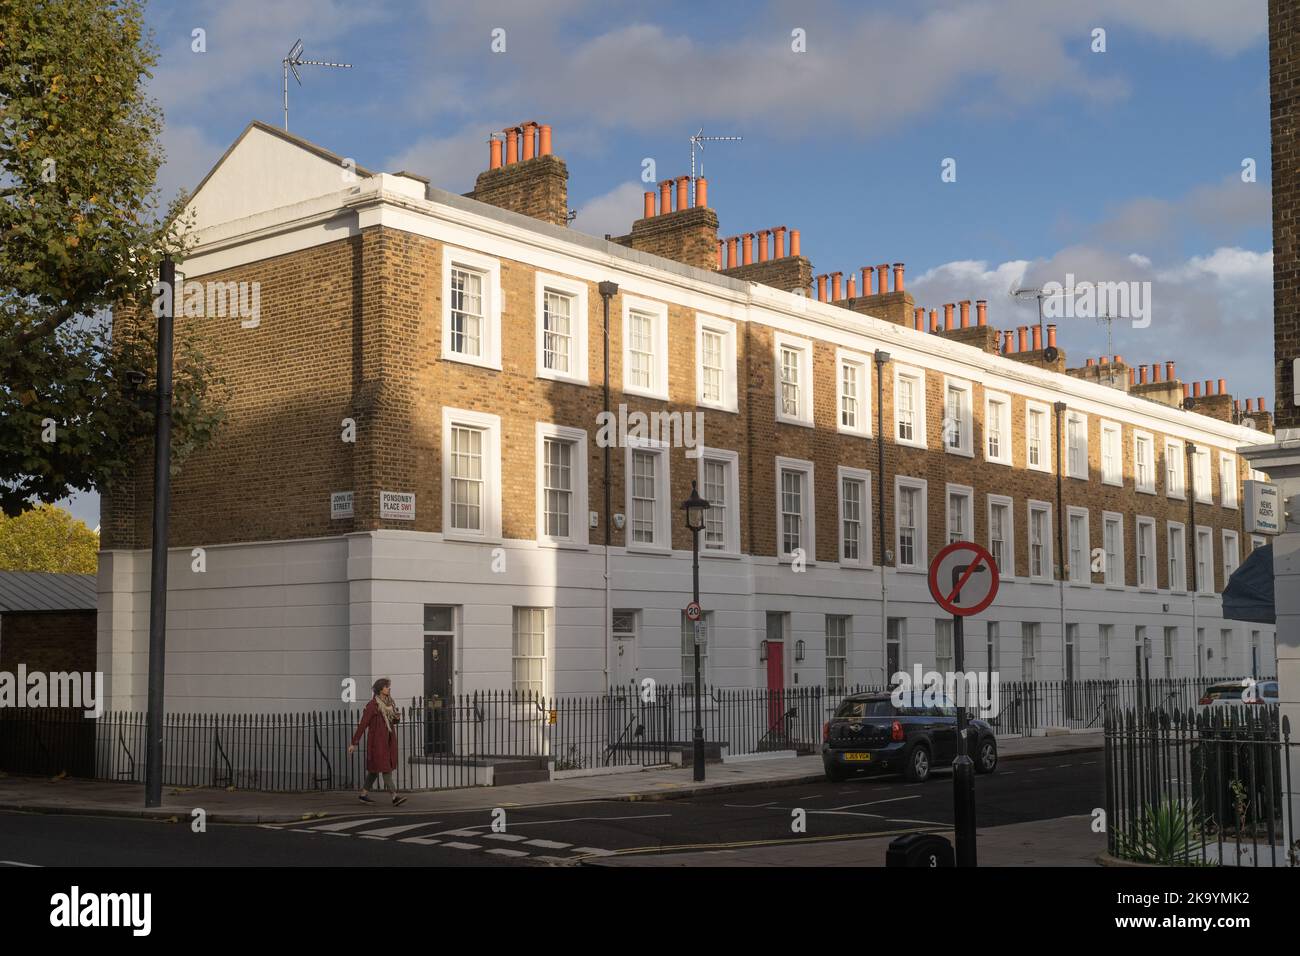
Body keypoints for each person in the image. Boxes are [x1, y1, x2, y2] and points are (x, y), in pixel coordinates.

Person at [347, 678, 407, 806]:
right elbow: (363, 725)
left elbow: (392, 722)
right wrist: (354, 743)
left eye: (388, 686)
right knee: (386, 769)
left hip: (388, 741)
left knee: (374, 771)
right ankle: (394, 797)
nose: (389, 688)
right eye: (386, 686)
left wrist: (397, 718)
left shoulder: (390, 703)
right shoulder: (372, 706)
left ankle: (363, 794)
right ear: (380, 689)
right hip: (377, 744)